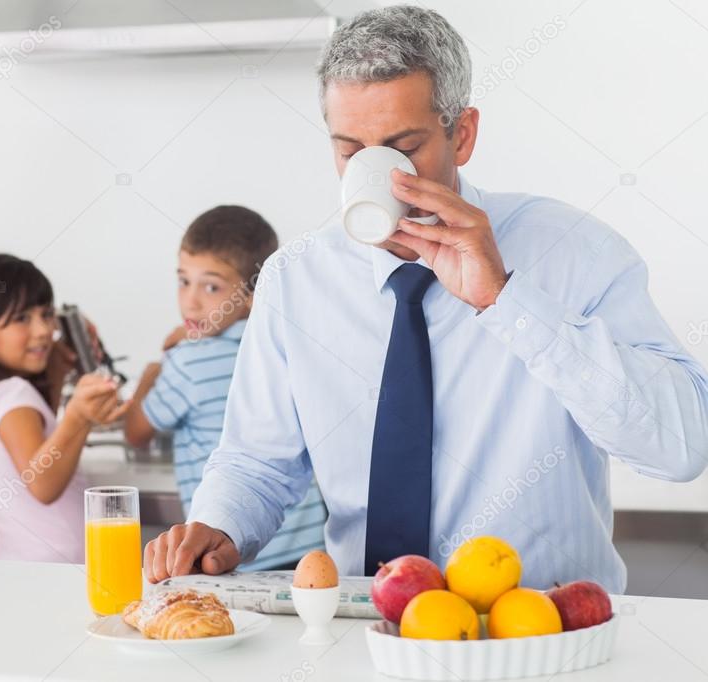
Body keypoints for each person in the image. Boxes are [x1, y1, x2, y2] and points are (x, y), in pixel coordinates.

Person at [143, 6, 708, 591]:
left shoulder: (575, 251)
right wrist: (220, 525)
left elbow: (681, 448)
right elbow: (256, 462)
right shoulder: (296, 278)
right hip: (364, 628)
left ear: (461, 136)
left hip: (539, 636)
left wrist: (507, 302)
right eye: (349, 152)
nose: (378, 179)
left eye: (402, 149)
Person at [124, 206, 327, 570]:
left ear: (254, 294)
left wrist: (152, 372)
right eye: (184, 280)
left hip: (236, 547)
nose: (191, 300)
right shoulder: (289, 345)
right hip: (311, 547)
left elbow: (136, 432)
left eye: (211, 286)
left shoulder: (187, 361)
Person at [0, 254, 128, 562]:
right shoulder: (13, 396)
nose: (44, 330)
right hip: (61, 565)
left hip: (22, 560)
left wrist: (56, 373)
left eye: (46, 314)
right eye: (22, 319)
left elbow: (37, 443)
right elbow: (42, 483)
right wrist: (79, 418)